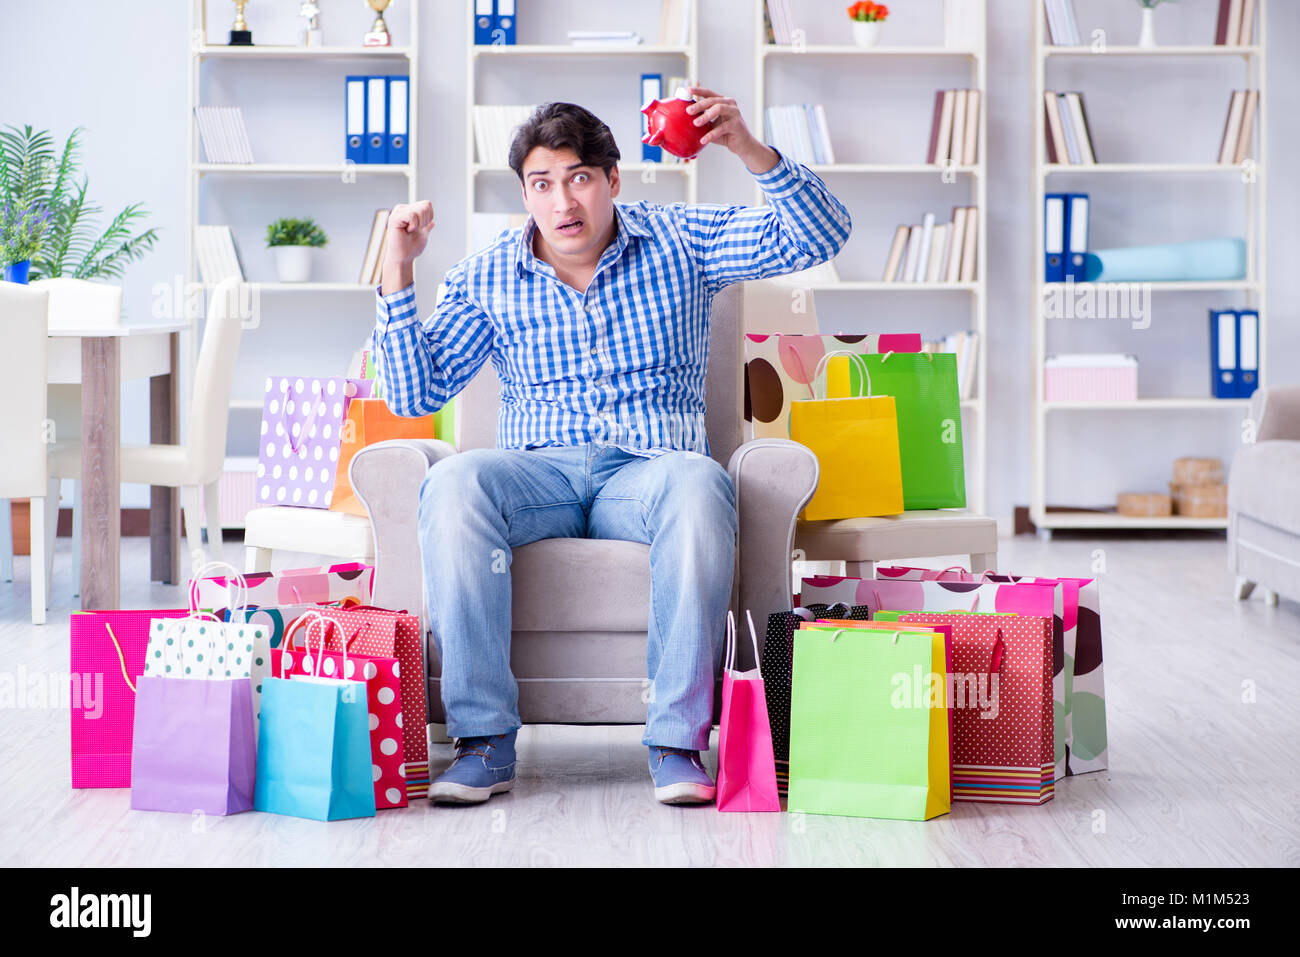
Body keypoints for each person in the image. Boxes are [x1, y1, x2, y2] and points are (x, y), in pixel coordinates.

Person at [370, 90, 851, 806]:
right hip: (538, 474)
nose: (563, 200)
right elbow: (414, 393)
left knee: (698, 482)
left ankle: (676, 741)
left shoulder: (680, 240)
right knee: (454, 482)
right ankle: (484, 741)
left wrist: (750, 149)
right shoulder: (487, 274)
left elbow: (820, 237)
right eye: (542, 183)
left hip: (652, 473)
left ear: (613, 180)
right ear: (525, 194)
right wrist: (398, 272)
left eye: (579, 177)